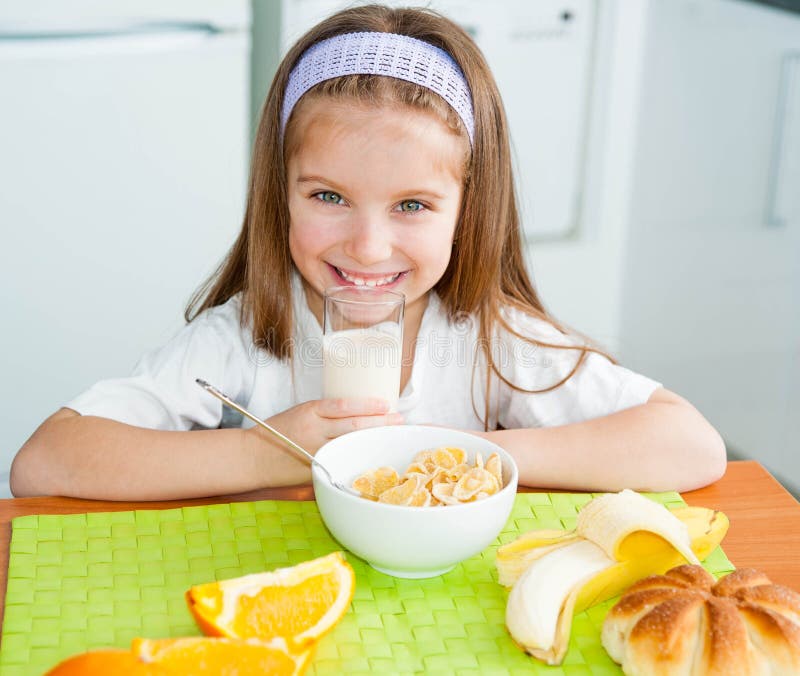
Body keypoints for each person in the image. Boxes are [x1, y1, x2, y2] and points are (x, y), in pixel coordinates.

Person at [10, 4, 725, 501]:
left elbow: (691, 444)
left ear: (465, 210)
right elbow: (45, 463)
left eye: (412, 206)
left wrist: (464, 454)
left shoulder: (485, 337)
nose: (369, 246)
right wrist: (268, 451)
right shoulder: (251, 335)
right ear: (279, 193)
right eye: (328, 197)